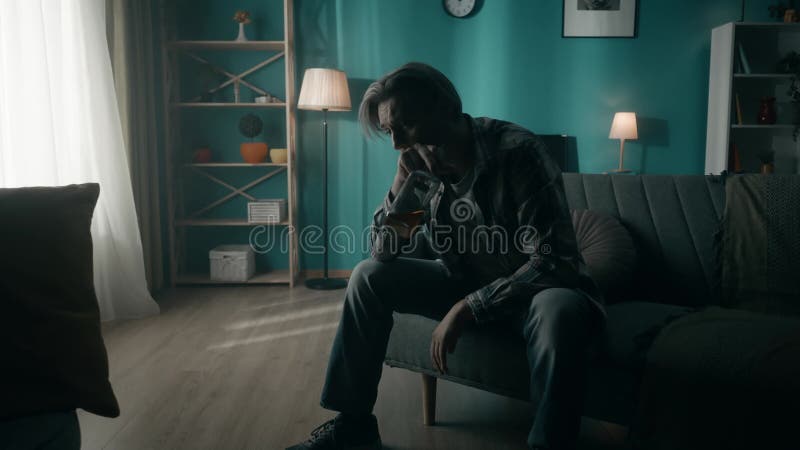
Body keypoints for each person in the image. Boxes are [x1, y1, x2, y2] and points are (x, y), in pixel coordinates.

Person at [288, 62, 605, 450]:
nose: (397, 143)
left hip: (534, 294)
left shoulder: (518, 152)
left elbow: (554, 261)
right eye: (389, 131)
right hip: (461, 277)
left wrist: (467, 307)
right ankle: (354, 426)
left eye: (405, 126)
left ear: (446, 108)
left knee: (558, 308)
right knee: (367, 275)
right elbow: (384, 251)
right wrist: (409, 188)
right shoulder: (417, 161)